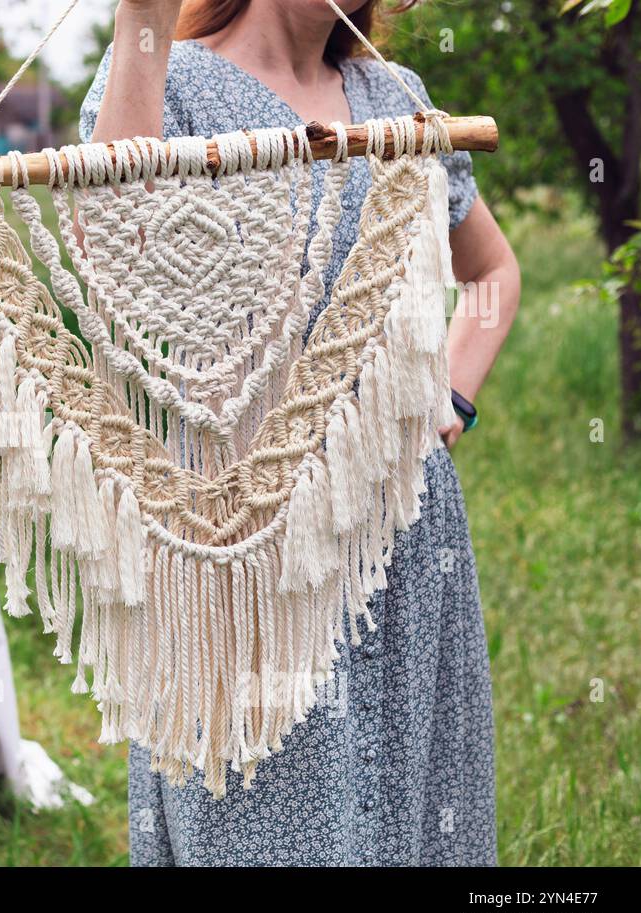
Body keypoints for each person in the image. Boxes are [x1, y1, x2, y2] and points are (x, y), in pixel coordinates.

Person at [81, 0, 521, 866]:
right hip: (243, 529)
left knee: (409, 795)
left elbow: (494, 274)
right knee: (261, 811)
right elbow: (110, 248)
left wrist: (449, 403)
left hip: (400, 525)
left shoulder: (397, 96)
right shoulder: (170, 78)